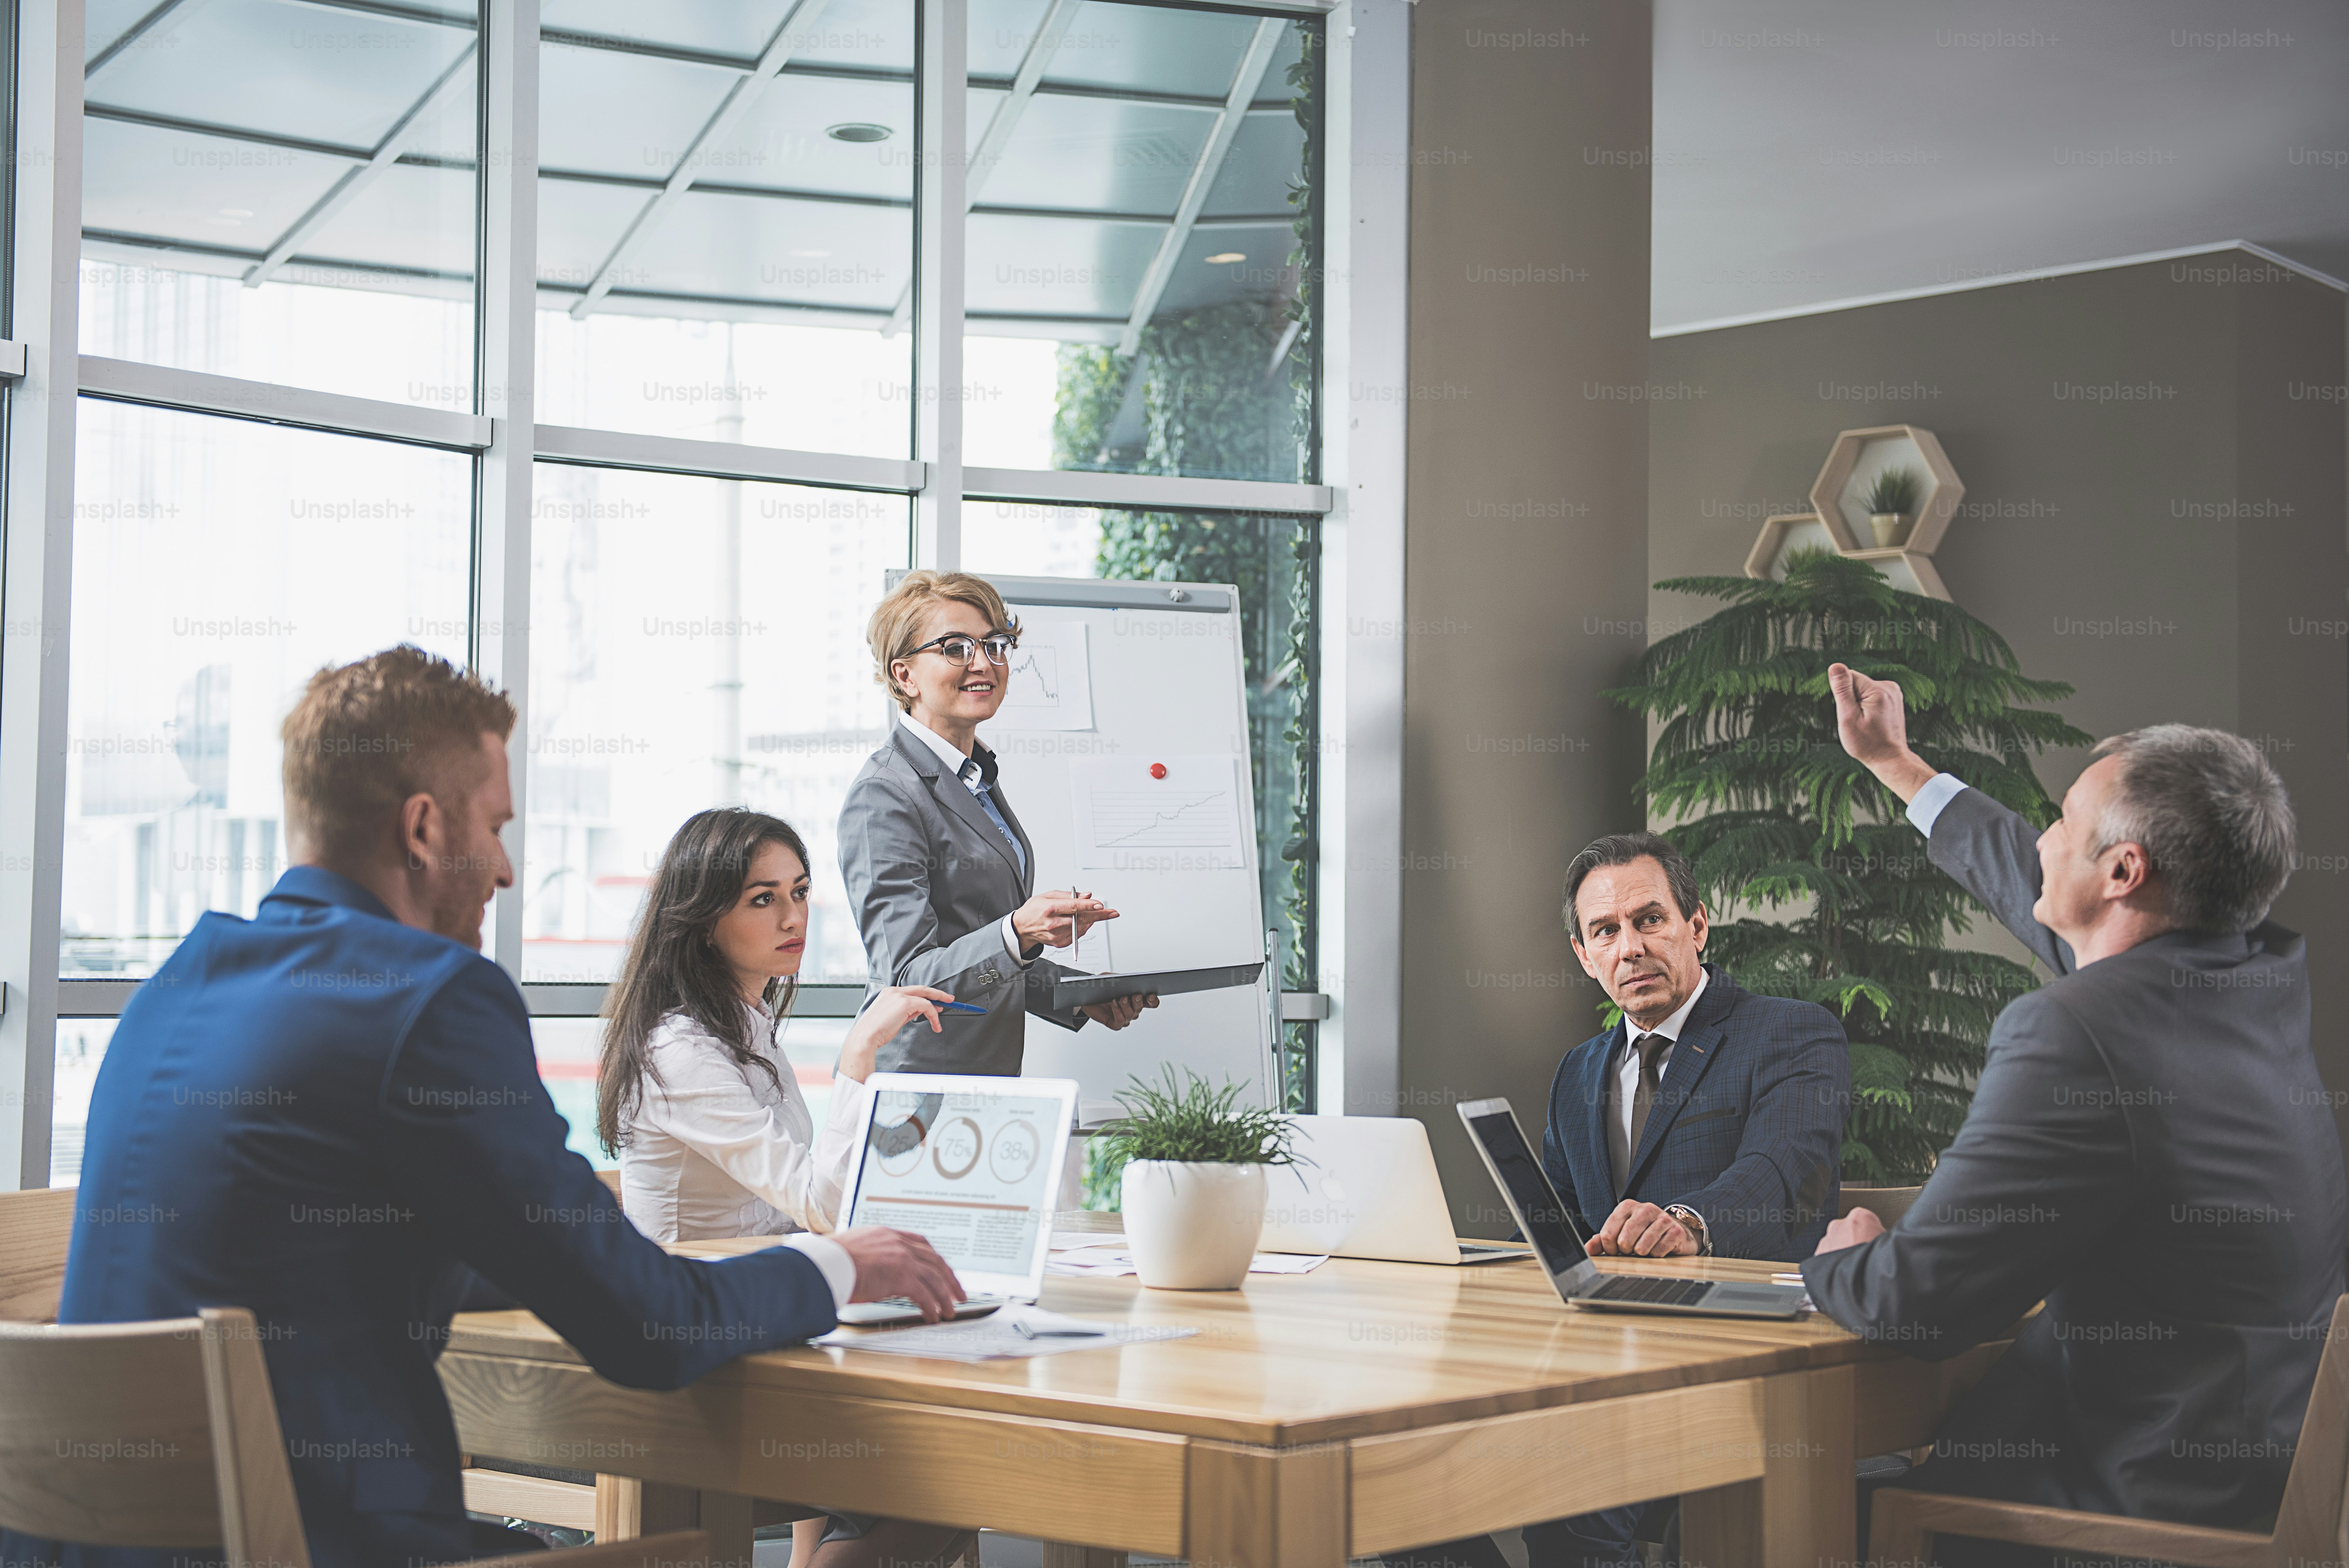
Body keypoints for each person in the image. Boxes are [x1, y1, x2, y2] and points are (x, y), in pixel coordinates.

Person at [18, 647, 962, 1568]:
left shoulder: (174, 989)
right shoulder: (427, 997)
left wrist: (577, 1255)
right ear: (424, 828)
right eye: (496, 826)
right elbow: (651, 1330)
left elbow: (352, 1256)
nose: (506, 869)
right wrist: (840, 1263)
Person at [1807, 662, 2348, 1565]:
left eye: (2059, 821)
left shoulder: (2074, 1030)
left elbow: (1910, 1305)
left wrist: (1843, 1252)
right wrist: (1895, 764)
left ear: (2122, 871)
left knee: (1763, 1509)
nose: (2042, 842)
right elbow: (2050, 895)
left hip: (2115, 1519)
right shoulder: (2248, 980)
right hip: (2237, 1492)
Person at [1403, 832, 1851, 1568]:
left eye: (1650, 920)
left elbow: (1782, 1168)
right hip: (1597, 1363)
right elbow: (1564, 1228)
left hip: (1742, 1363)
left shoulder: (1790, 1033)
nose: (1631, 947)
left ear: (1696, 926)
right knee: (1412, 1471)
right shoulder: (1578, 1072)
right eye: (1606, 932)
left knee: (1573, 1478)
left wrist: (1689, 1222)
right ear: (1584, 955)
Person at [598, 805, 970, 1568]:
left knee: (947, 1426)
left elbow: (808, 1209)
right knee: (956, 1474)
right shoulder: (681, 1049)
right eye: (762, 899)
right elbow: (820, 1204)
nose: (793, 916)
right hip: (695, 1353)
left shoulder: (747, 1026)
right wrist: (861, 1051)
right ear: (703, 919)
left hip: (765, 1321)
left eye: (799, 892)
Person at [839, 570, 1155, 1076]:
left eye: (994, 645)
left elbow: (976, 947)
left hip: (987, 1079)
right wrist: (1019, 930)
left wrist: (1078, 996)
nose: (985, 663)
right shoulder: (884, 795)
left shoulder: (975, 778)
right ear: (905, 676)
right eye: (956, 648)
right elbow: (909, 977)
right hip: (917, 1084)